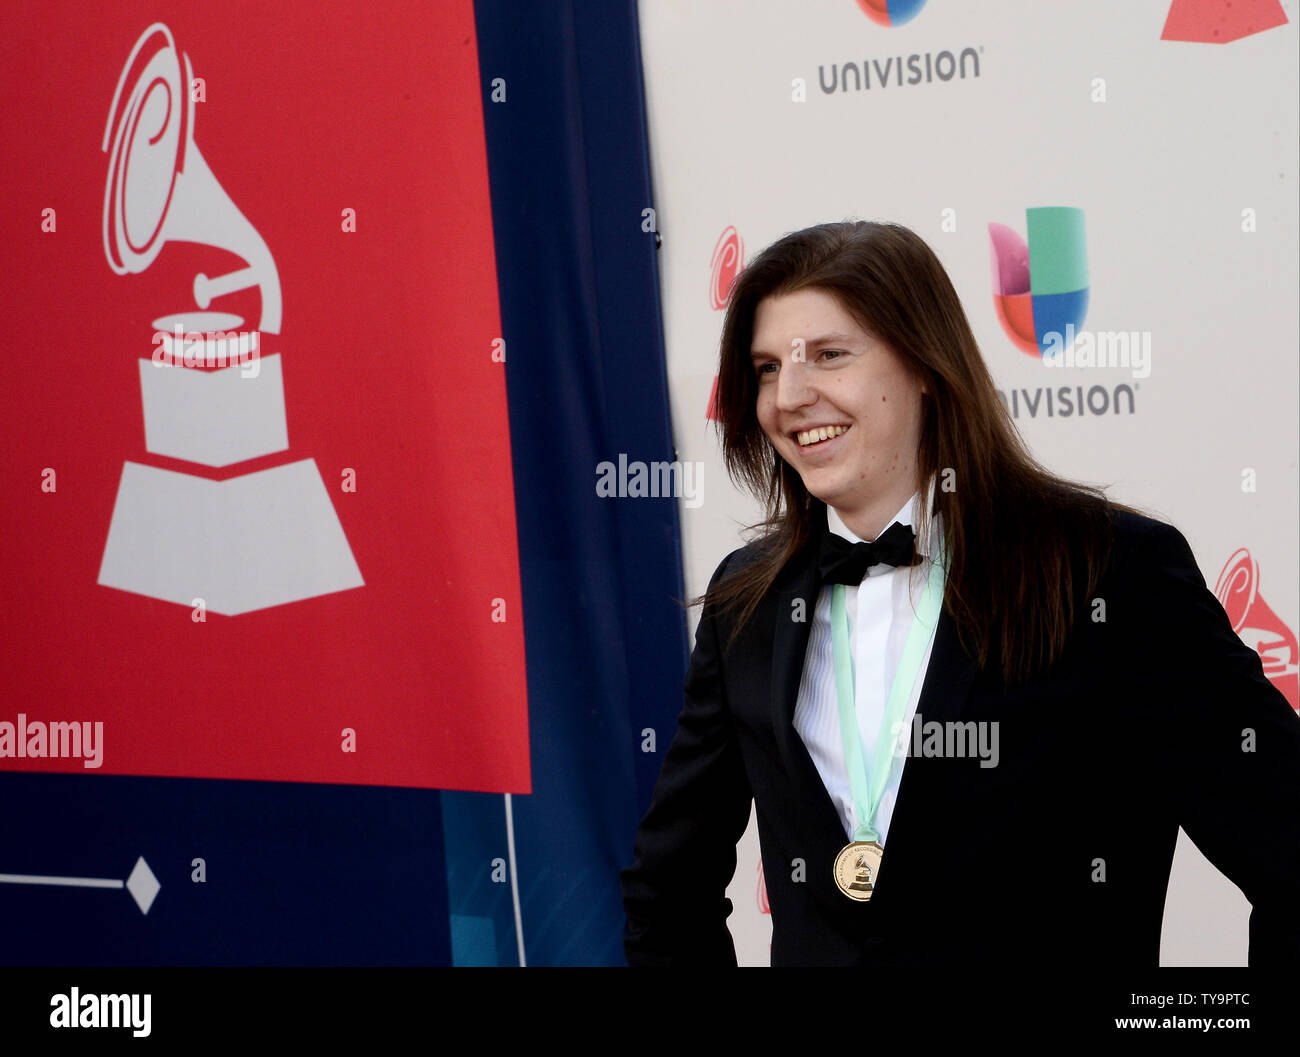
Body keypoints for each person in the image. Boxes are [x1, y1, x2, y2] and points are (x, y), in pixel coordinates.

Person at [620, 220, 1300, 967]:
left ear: (923, 361)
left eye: (829, 355)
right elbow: (668, 888)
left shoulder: (1109, 570)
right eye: (767, 367)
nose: (790, 395)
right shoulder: (744, 601)